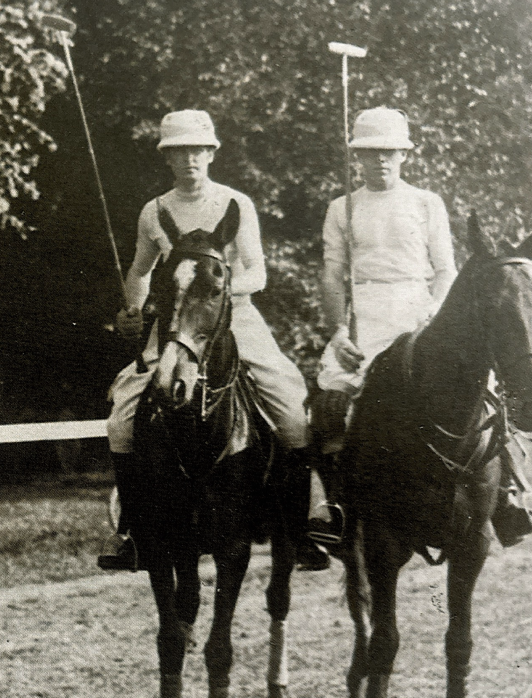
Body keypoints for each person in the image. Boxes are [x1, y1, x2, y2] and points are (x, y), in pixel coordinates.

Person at [100, 110, 319, 569]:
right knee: (122, 416)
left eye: (197, 149)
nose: (189, 159)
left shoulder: (236, 203)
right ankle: (131, 531)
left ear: (212, 153)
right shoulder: (154, 211)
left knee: (291, 403)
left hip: (234, 316)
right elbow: (140, 272)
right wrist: (133, 310)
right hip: (176, 324)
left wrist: (213, 290)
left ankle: (299, 531)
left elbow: (257, 271)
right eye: (179, 151)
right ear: (168, 157)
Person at [308, 106, 530, 548]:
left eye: (389, 152)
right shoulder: (341, 207)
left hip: (421, 311)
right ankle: (337, 504)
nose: (381, 161)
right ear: (357, 157)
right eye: (370, 153)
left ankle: (509, 493)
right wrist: (338, 331)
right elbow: (333, 275)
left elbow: (445, 268)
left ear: (404, 154)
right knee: (331, 403)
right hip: (365, 314)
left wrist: (434, 314)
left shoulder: (426, 203)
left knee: (483, 394)